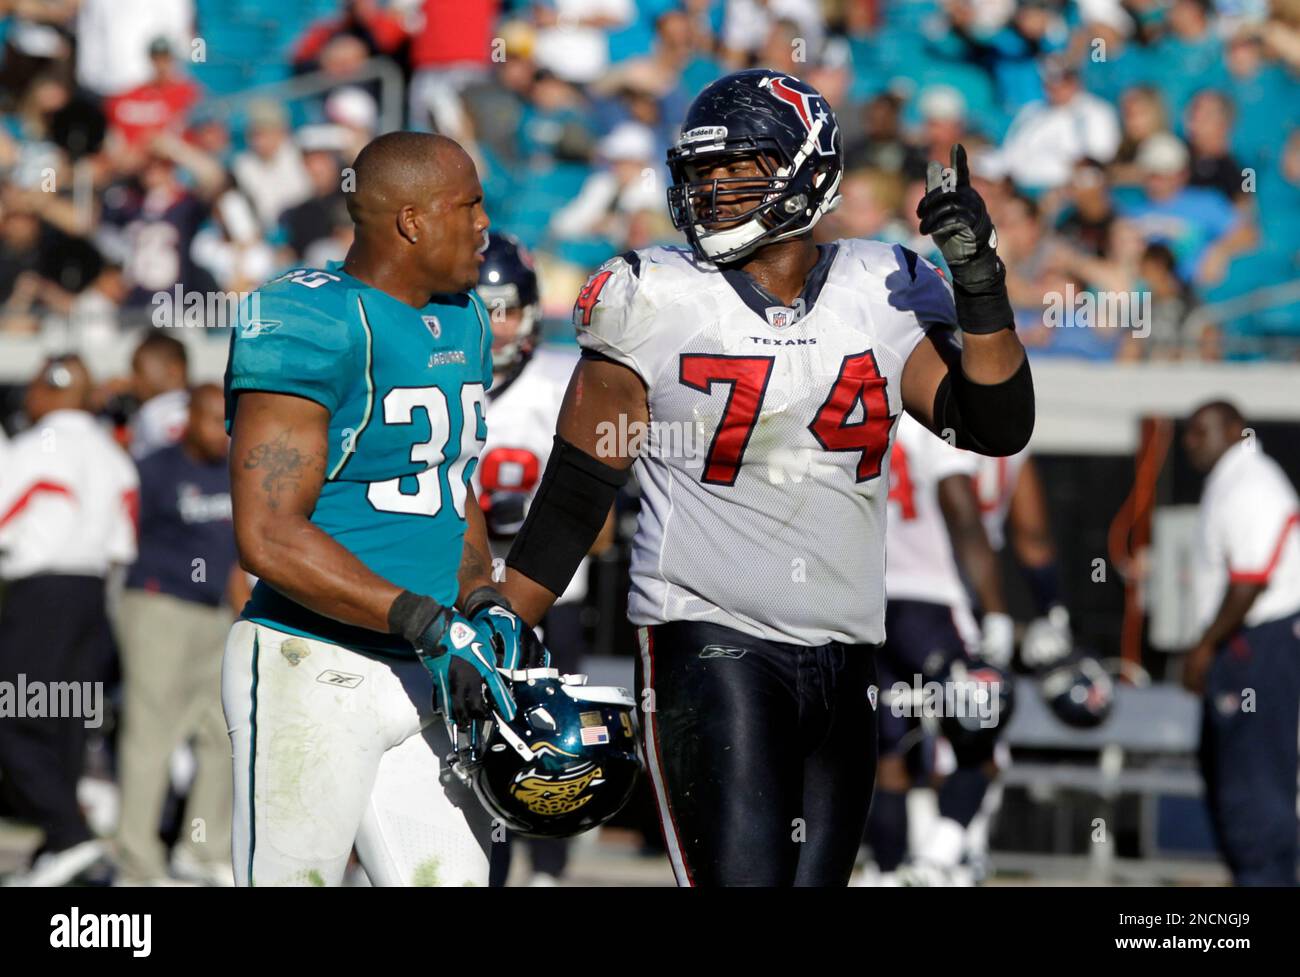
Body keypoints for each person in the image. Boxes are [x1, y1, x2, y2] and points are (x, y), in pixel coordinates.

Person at [497, 69, 1035, 886]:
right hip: (708, 642)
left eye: (736, 166)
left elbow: (996, 424)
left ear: (808, 168)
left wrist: (981, 284)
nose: (711, 187)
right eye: (700, 170)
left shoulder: (881, 286)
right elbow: (576, 494)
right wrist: (501, 633)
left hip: (846, 651)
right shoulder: (653, 295)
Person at [222, 131, 543, 888]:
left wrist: (481, 594)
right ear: (411, 220)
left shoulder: (464, 316)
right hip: (312, 662)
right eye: (468, 206)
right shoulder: (309, 317)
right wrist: (423, 619)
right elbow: (267, 534)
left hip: (429, 670)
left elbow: (448, 484)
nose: (484, 225)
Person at [471, 231, 614, 886]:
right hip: (470, 595)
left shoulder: (562, 379)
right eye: (483, 308)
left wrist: (533, 520)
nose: (495, 323)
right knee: (482, 742)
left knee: (558, 743)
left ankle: (550, 869)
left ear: (529, 312)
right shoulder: (442, 375)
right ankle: (489, 869)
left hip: (553, 593)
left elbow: (601, 520)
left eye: (505, 308)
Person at [0, 355, 139, 887]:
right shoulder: (114, 456)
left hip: (41, 597)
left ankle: (69, 834)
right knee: (65, 725)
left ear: (54, 388)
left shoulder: (34, 449)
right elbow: (122, 545)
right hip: (92, 599)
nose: (29, 398)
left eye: (35, 386)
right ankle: (59, 852)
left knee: (13, 719)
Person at [867, 413, 1014, 886]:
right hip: (934, 604)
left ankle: (886, 873)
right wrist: (996, 610)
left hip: (872, 602)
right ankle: (936, 861)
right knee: (982, 738)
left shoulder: (871, 407)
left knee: (890, 752)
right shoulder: (940, 420)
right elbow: (961, 509)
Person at [114, 383, 246, 886]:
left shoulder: (233, 471)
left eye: (227, 421)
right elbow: (122, 537)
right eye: (212, 419)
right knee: (152, 736)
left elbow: (234, 553)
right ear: (188, 418)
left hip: (216, 614)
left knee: (221, 731)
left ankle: (202, 847)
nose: (221, 431)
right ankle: (136, 863)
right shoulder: (155, 469)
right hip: (159, 608)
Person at [1182, 400, 1300, 885]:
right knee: (1227, 775)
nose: (1190, 442)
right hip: (1245, 644)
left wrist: (1204, 648)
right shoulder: (1231, 479)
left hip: (1257, 646)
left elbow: (1250, 580)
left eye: (1201, 431)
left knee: (1253, 786)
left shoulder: (1251, 483)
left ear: (1235, 429)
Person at [128, 331, 189, 460]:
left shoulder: (155, 412)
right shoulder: (198, 407)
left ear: (174, 370)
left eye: (138, 370)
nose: (132, 380)